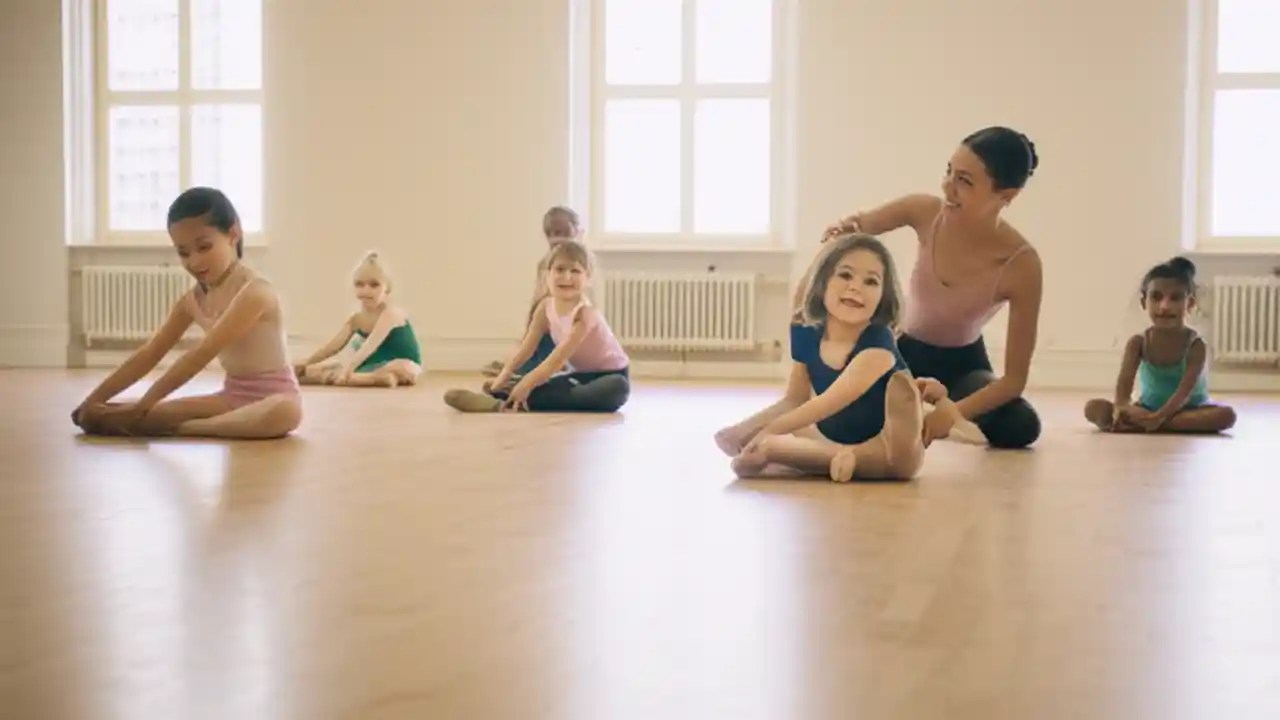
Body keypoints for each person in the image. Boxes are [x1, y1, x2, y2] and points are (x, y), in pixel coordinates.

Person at [810, 126, 1044, 449]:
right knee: (839, 411)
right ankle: (909, 406)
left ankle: (928, 408)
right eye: (949, 172)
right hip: (902, 351)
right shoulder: (925, 211)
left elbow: (1014, 381)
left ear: (1006, 195)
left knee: (1021, 426)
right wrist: (844, 229)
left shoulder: (1022, 264)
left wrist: (952, 413)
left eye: (965, 181)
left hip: (966, 367)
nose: (948, 187)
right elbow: (863, 223)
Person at [718, 234, 961, 482]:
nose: (855, 287)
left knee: (773, 444)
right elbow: (794, 399)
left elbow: (825, 404)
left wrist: (764, 437)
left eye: (871, 281)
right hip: (834, 435)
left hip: (887, 447)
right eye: (845, 275)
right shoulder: (808, 333)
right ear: (823, 283)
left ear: (882, 298)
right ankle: (837, 458)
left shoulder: (878, 347)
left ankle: (831, 458)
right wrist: (743, 430)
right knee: (778, 433)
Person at [71, 187, 302, 439]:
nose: (194, 262)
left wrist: (141, 407)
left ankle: (187, 428)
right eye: (183, 253)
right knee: (124, 415)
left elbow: (201, 353)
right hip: (231, 398)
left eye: (204, 247)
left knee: (286, 412)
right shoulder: (192, 301)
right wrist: (93, 401)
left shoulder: (256, 292)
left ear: (233, 234)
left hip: (275, 400)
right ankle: (161, 421)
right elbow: (150, 353)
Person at [444, 240, 631, 413]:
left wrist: (527, 383)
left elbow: (557, 360)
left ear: (587, 278)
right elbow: (527, 347)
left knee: (616, 389)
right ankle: (510, 393)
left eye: (575, 271)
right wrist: (505, 373)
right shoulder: (545, 307)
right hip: (579, 375)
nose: (566, 277)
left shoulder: (585, 314)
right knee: (555, 384)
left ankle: (507, 402)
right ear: (547, 275)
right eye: (559, 269)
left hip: (610, 376)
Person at [1084, 257, 1237, 433]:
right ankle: (1152, 424)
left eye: (1175, 298)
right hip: (1147, 409)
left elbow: (1184, 392)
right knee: (1093, 408)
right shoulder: (1138, 342)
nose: (1164, 306)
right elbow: (1124, 387)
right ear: (1144, 302)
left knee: (1227, 415)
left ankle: (1155, 425)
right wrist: (1121, 408)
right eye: (1156, 298)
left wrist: (1161, 417)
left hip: (1188, 410)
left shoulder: (1195, 345)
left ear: (1190, 304)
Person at [481, 205, 584, 380]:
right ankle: (518, 369)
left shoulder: (583, 265)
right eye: (551, 234)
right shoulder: (544, 265)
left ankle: (525, 371)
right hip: (546, 328)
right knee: (532, 350)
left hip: (570, 332)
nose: (557, 238)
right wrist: (529, 333)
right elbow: (538, 301)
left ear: (577, 231)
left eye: (564, 232)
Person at [293, 251, 422, 387]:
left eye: (374, 285)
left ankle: (352, 378)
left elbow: (369, 347)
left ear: (387, 288)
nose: (366, 291)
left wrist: (347, 370)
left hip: (399, 363)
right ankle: (363, 378)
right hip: (371, 364)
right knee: (326, 367)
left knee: (400, 368)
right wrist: (306, 362)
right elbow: (331, 347)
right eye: (360, 285)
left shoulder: (390, 314)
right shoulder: (356, 319)